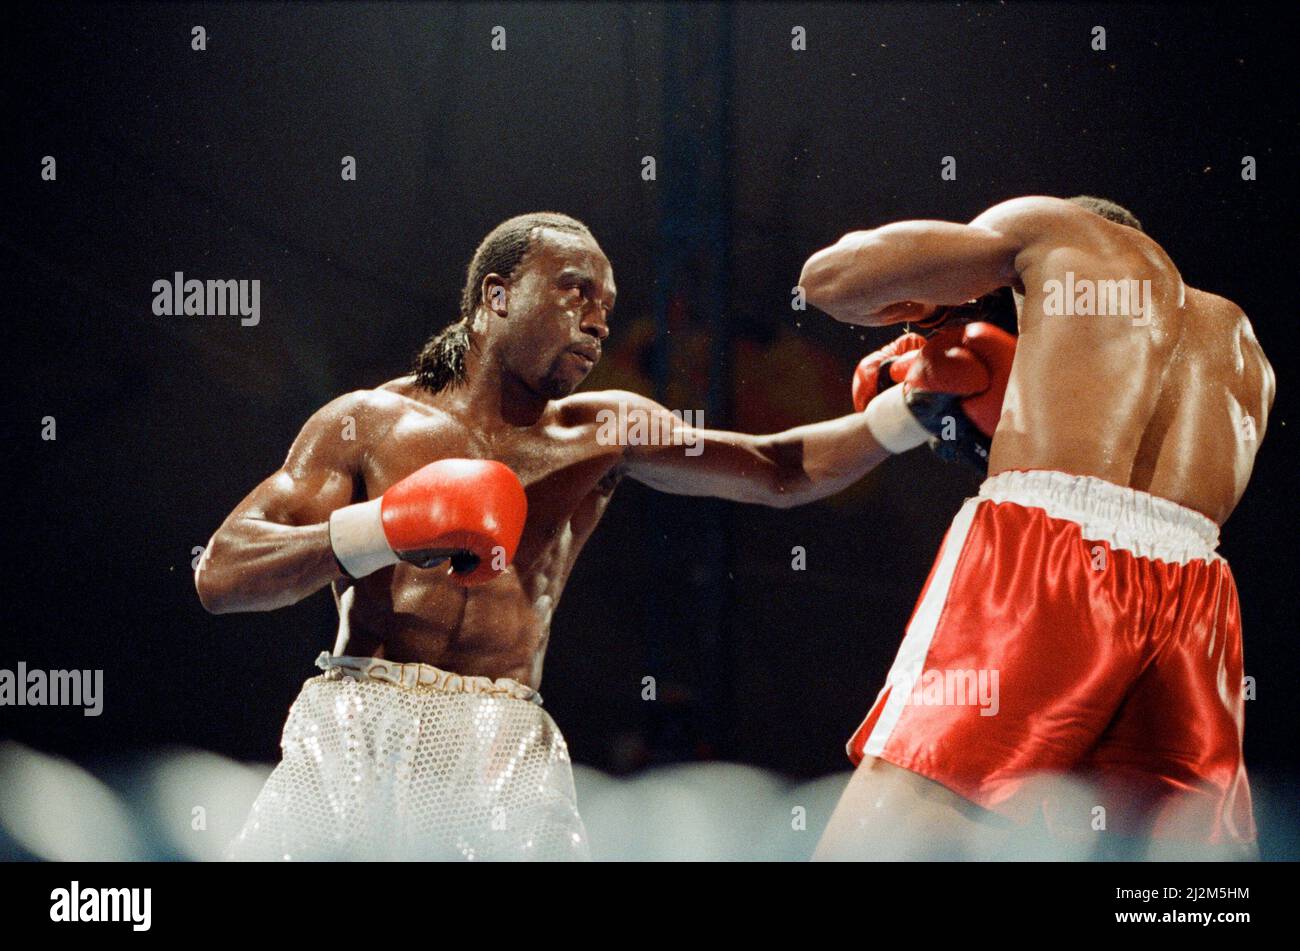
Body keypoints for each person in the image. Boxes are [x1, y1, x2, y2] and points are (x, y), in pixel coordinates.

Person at [196, 211, 1013, 860]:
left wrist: (909, 415)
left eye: (606, 308)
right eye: (575, 291)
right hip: (356, 718)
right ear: (495, 295)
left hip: (500, 742)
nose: (595, 321)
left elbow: (776, 468)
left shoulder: (603, 431)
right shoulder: (362, 422)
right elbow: (223, 572)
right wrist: (384, 526)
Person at [802, 195, 1275, 860]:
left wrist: (937, 304)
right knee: (1184, 876)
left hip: (1049, 554)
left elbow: (830, 281)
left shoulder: (1053, 226)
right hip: (1197, 593)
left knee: (893, 830)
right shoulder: (1240, 342)